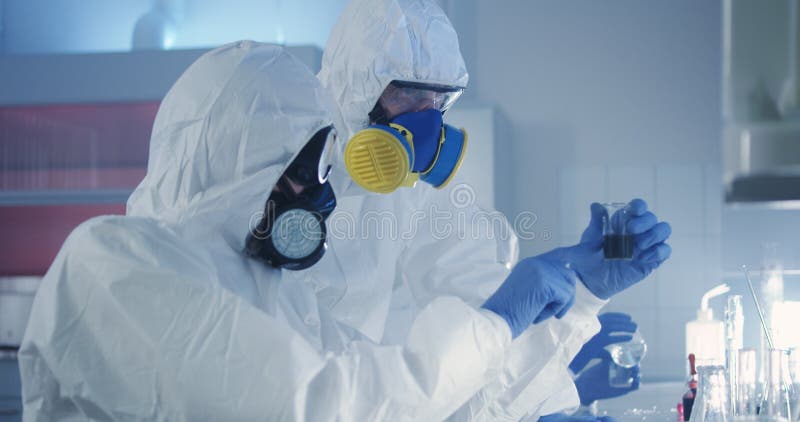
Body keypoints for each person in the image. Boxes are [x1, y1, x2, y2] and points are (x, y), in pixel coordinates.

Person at [16, 40, 649, 421]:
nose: (318, 199)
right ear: (235, 169)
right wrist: (497, 319)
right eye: (298, 172)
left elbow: (428, 408)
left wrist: (576, 293)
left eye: (320, 171)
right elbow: (326, 407)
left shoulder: (276, 293)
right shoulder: (113, 264)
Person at [316, 0, 672, 420]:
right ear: (356, 89)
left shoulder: (420, 188)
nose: (427, 121)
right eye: (410, 95)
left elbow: (484, 347)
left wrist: (584, 293)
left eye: (439, 101)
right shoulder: (281, 174)